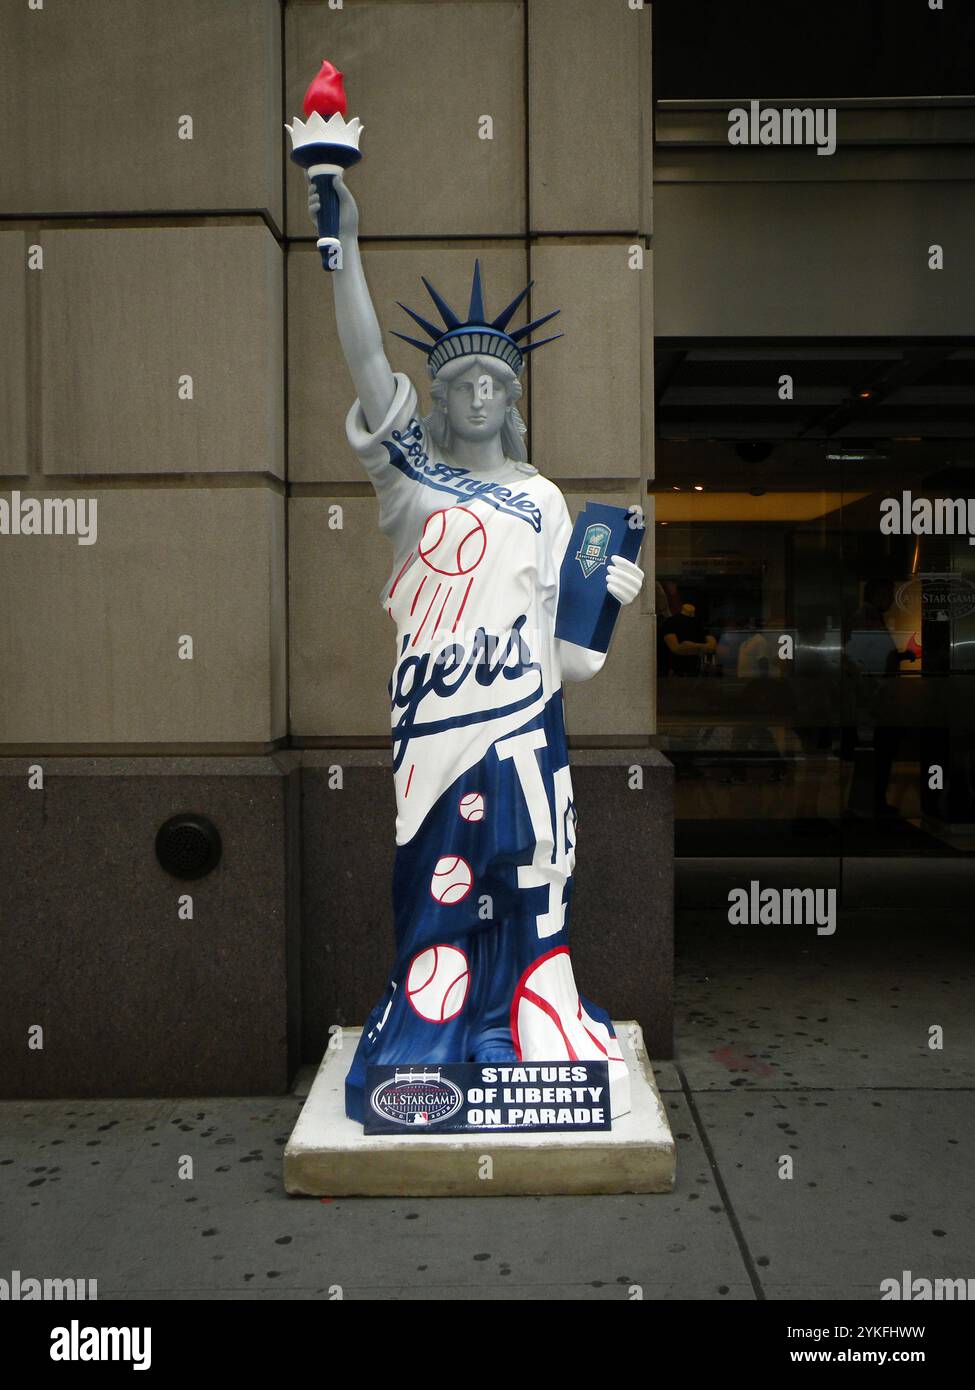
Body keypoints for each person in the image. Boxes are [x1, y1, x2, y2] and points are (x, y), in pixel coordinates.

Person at [311, 175, 645, 1122]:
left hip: (526, 720)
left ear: (511, 401)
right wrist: (345, 251)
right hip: (437, 723)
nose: (479, 399)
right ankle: (432, 1031)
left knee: (535, 866)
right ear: (444, 404)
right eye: (461, 387)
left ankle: (529, 1018)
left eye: (494, 385)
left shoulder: (541, 500)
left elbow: (567, 654)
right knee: (440, 880)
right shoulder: (414, 488)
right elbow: (370, 366)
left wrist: (606, 607)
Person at [660, 601, 716, 677]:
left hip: (696, 670)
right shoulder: (671, 622)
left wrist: (689, 645)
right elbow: (676, 649)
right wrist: (701, 648)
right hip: (676, 670)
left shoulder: (699, 622)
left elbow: (712, 647)